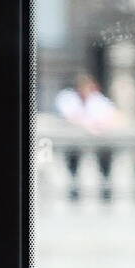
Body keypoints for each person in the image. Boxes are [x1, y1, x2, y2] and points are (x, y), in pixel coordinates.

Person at [55, 73, 121, 201]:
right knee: (72, 171)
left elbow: (115, 116)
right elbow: (70, 116)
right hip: (71, 144)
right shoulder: (68, 97)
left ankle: (105, 196)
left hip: (97, 145)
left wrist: (101, 124)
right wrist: (88, 124)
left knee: (103, 169)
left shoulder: (97, 100)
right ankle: (73, 197)